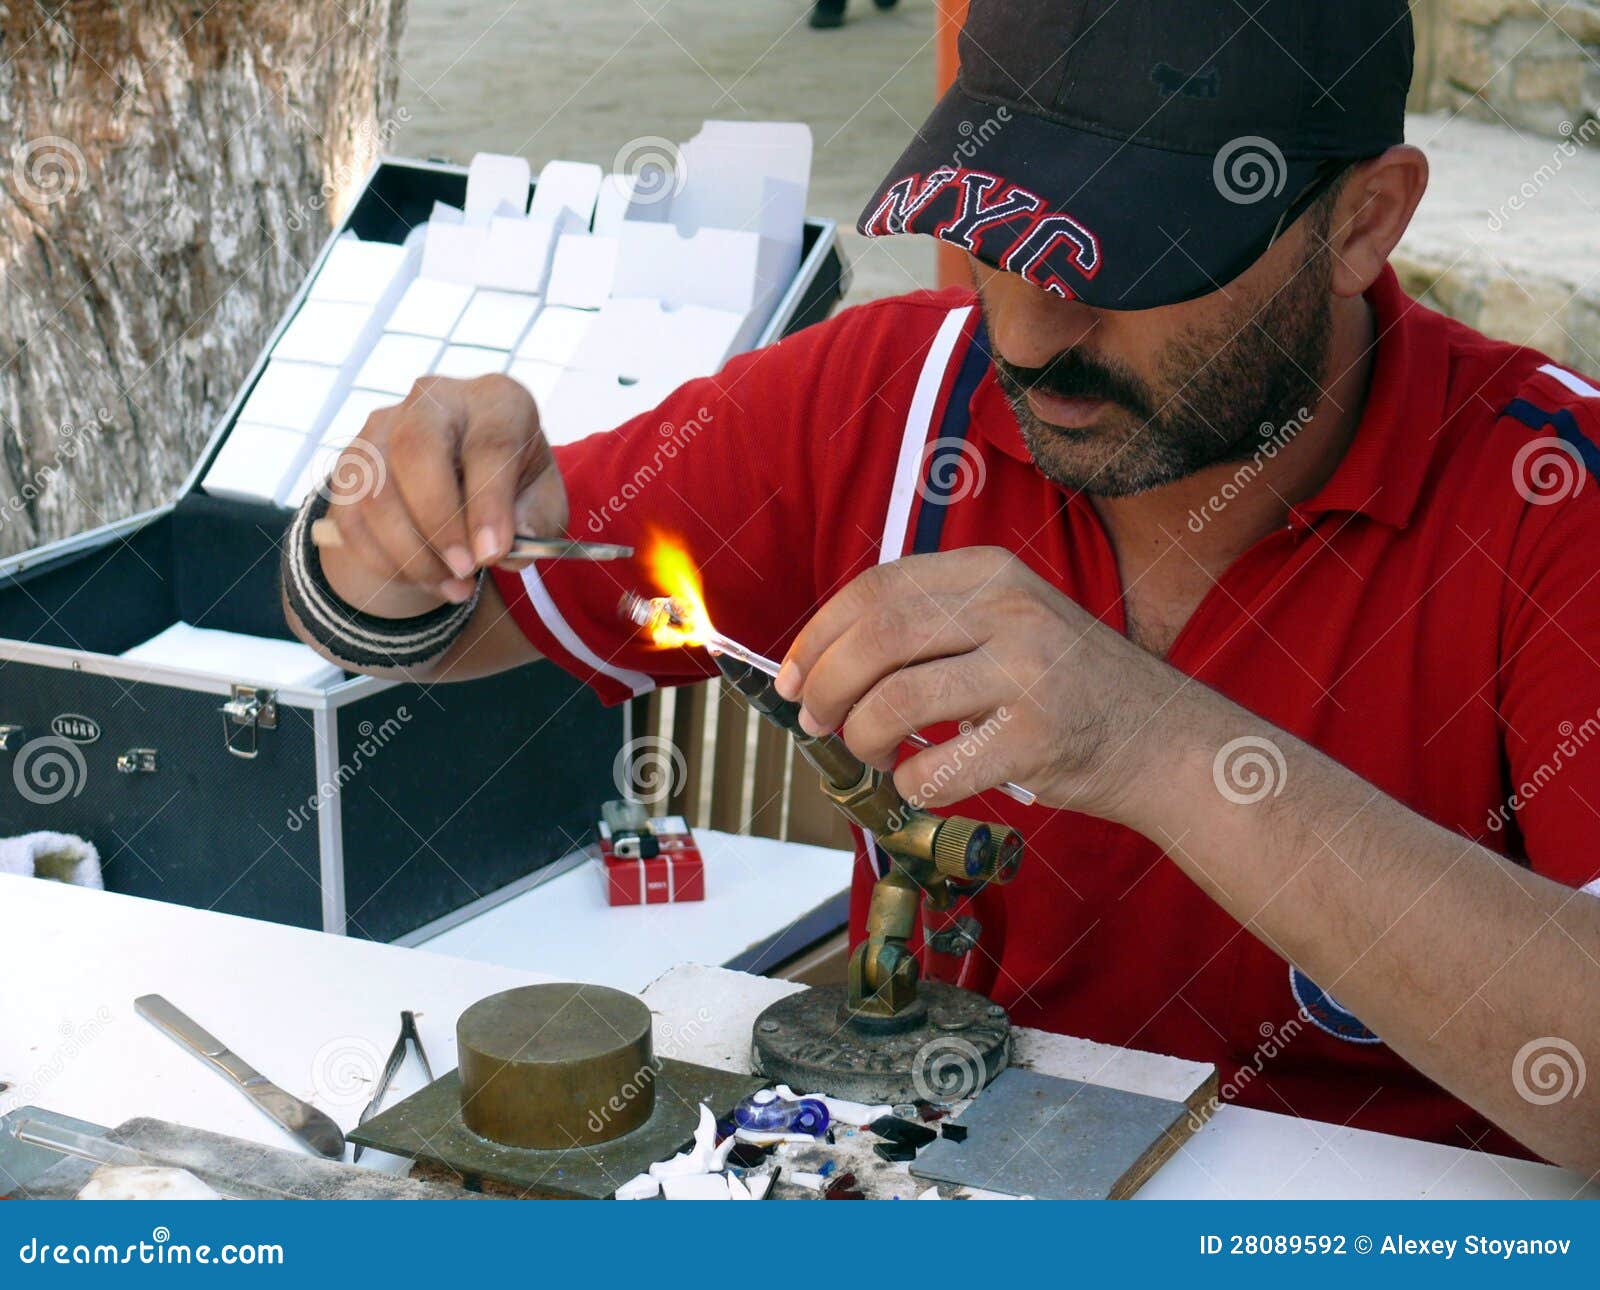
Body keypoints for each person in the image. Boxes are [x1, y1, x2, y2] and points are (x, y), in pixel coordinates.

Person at [283, 0, 1600, 1171]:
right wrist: (390, 520)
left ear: (1364, 220)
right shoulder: (895, 396)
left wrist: (1147, 737)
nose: (1028, 333)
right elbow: (444, 612)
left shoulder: (1552, 503)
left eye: (1135, 261)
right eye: (999, 232)